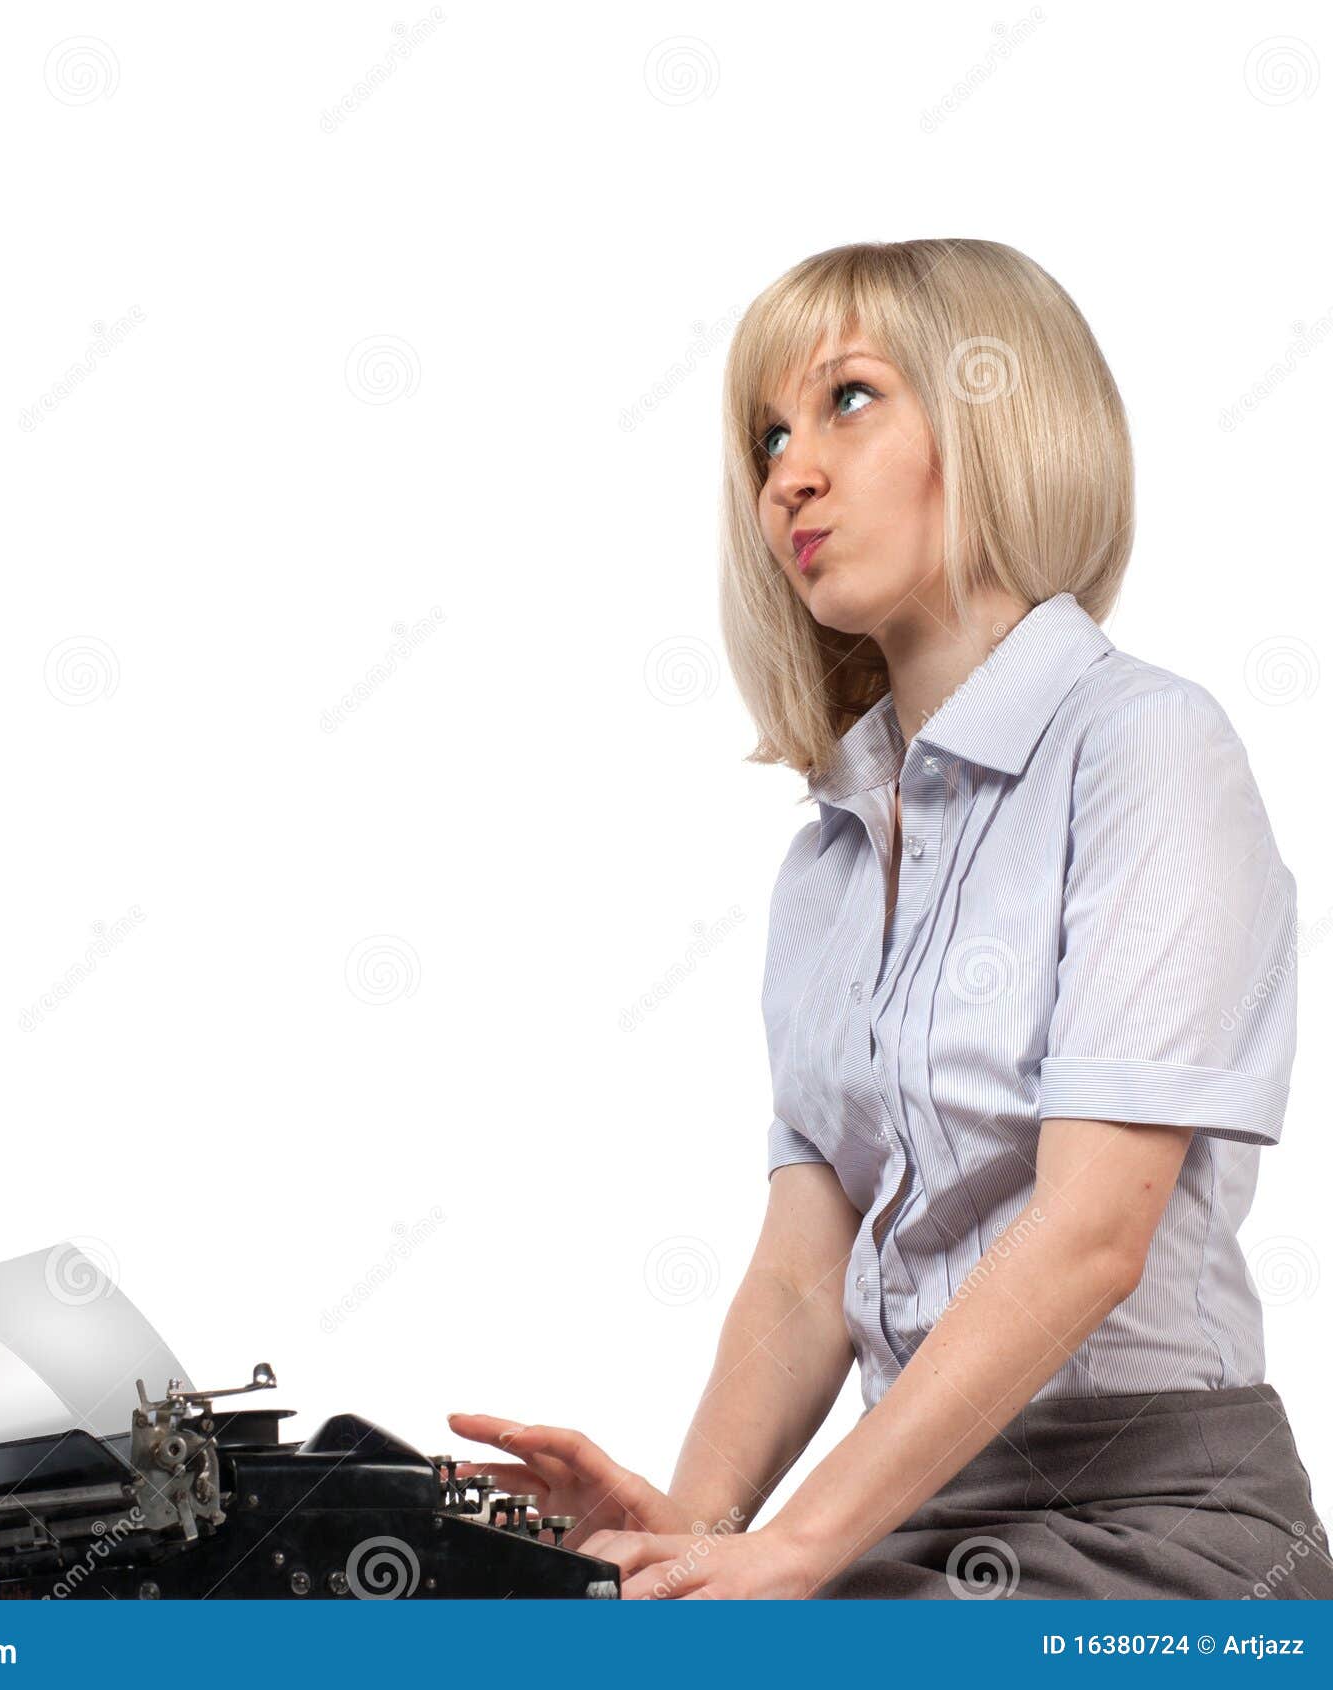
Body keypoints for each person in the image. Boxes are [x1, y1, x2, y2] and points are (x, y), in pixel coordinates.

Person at [450, 239, 1333, 1600]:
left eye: (848, 400)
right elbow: (808, 1272)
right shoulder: (830, 860)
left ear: (1000, 417)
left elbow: (1095, 1231)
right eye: (768, 432)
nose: (787, 473)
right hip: (912, 1513)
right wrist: (692, 1529)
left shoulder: (1148, 745)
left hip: (1157, 1524)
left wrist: (797, 1542)